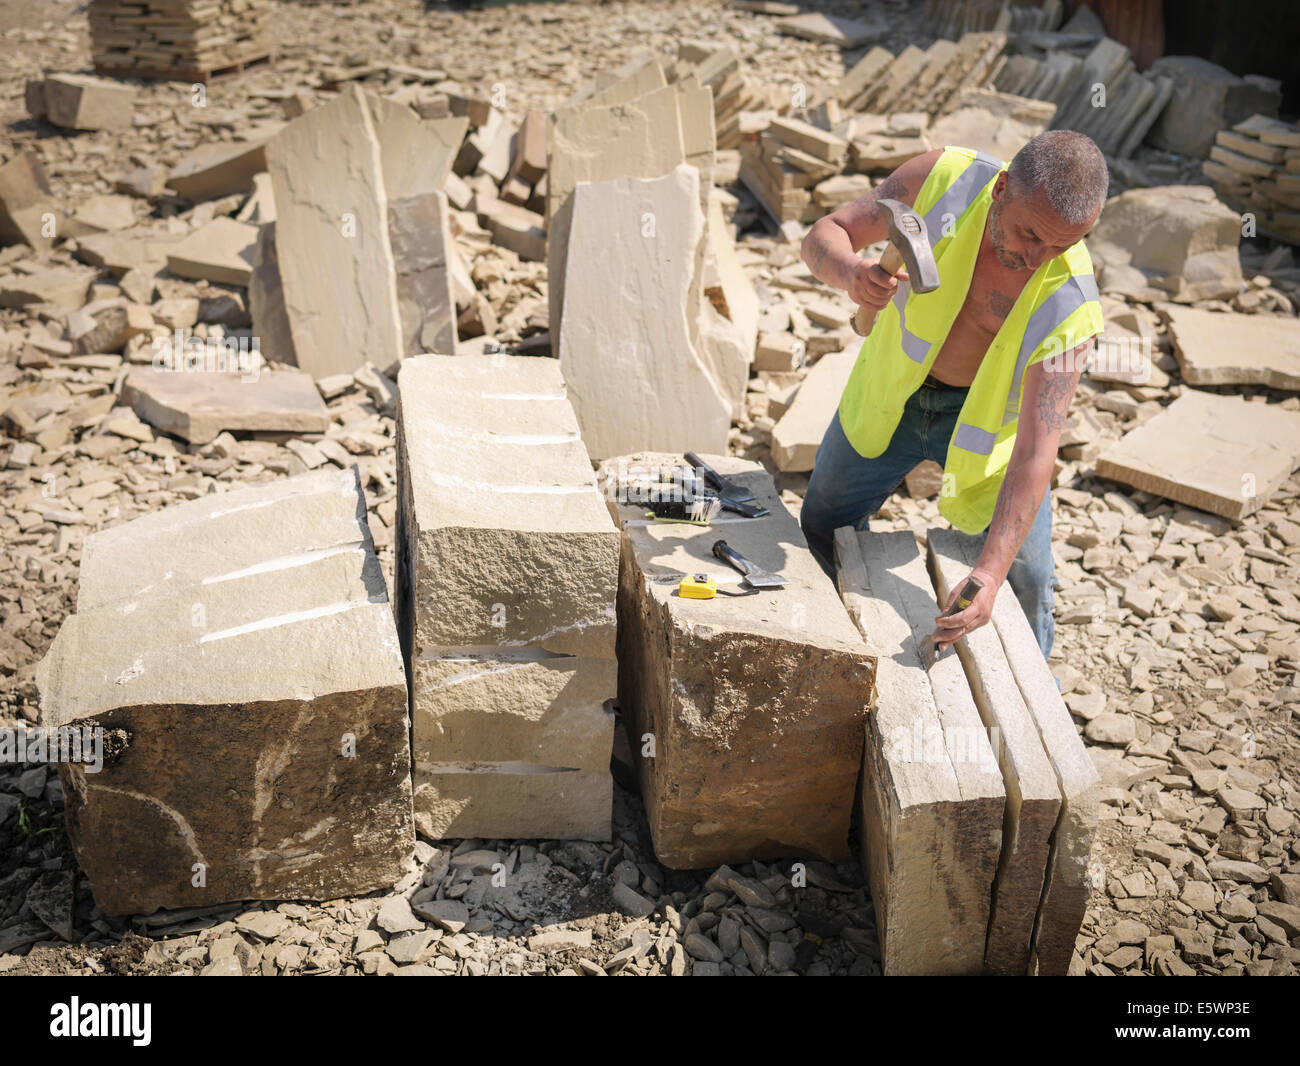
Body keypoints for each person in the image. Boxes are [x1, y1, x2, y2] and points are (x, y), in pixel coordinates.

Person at [798, 131, 1108, 664]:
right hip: (889, 397)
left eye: (1061, 245)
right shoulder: (942, 181)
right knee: (821, 528)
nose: (1038, 258)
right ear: (1002, 188)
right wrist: (852, 275)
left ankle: (1032, 695)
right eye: (1028, 233)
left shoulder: (1071, 304)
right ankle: (832, 655)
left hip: (983, 431)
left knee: (1027, 577)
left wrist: (987, 575)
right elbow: (824, 234)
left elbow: (1038, 450)